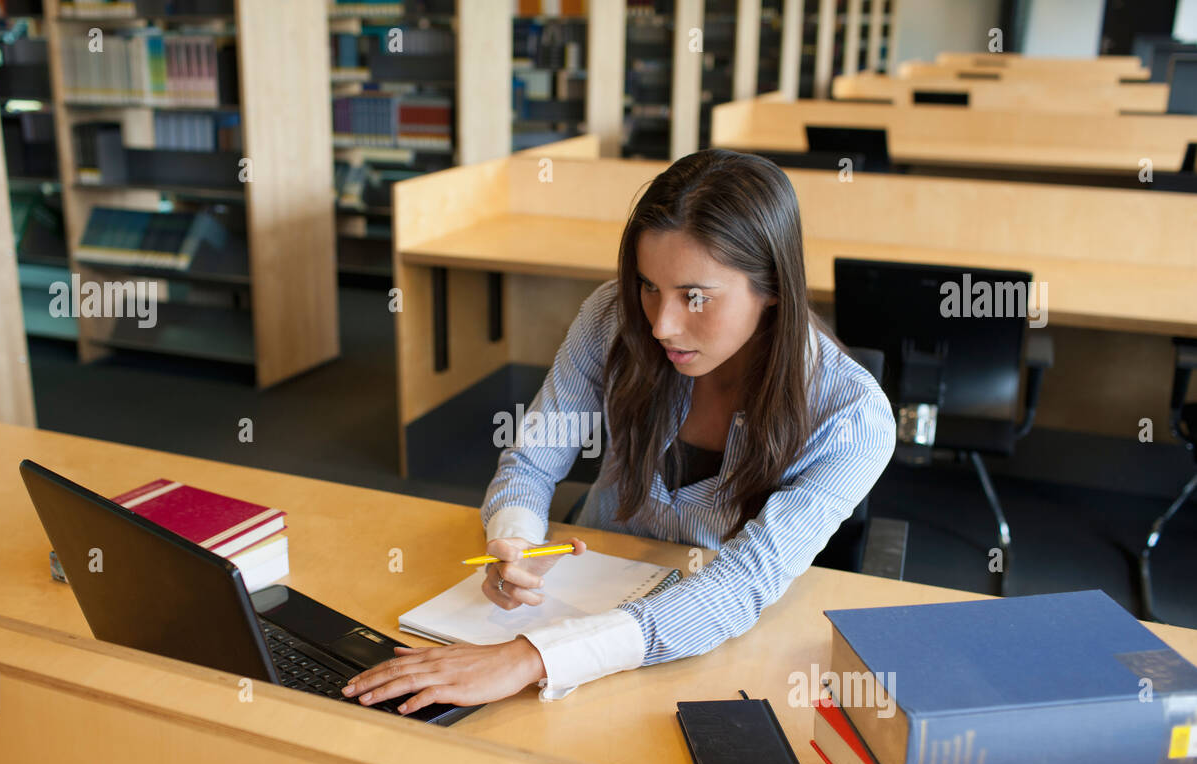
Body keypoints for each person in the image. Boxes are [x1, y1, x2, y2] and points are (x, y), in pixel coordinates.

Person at [343, 148, 896, 714]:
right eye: (648, 285)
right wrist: (514, 537)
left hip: (694, 639)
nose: (661, 324)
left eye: (695, 296)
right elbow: (533, 461)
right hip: (582, 587)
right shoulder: (612, 318)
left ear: (773, 286)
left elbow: (739, 585)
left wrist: (531, 657)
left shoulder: (854, 419)